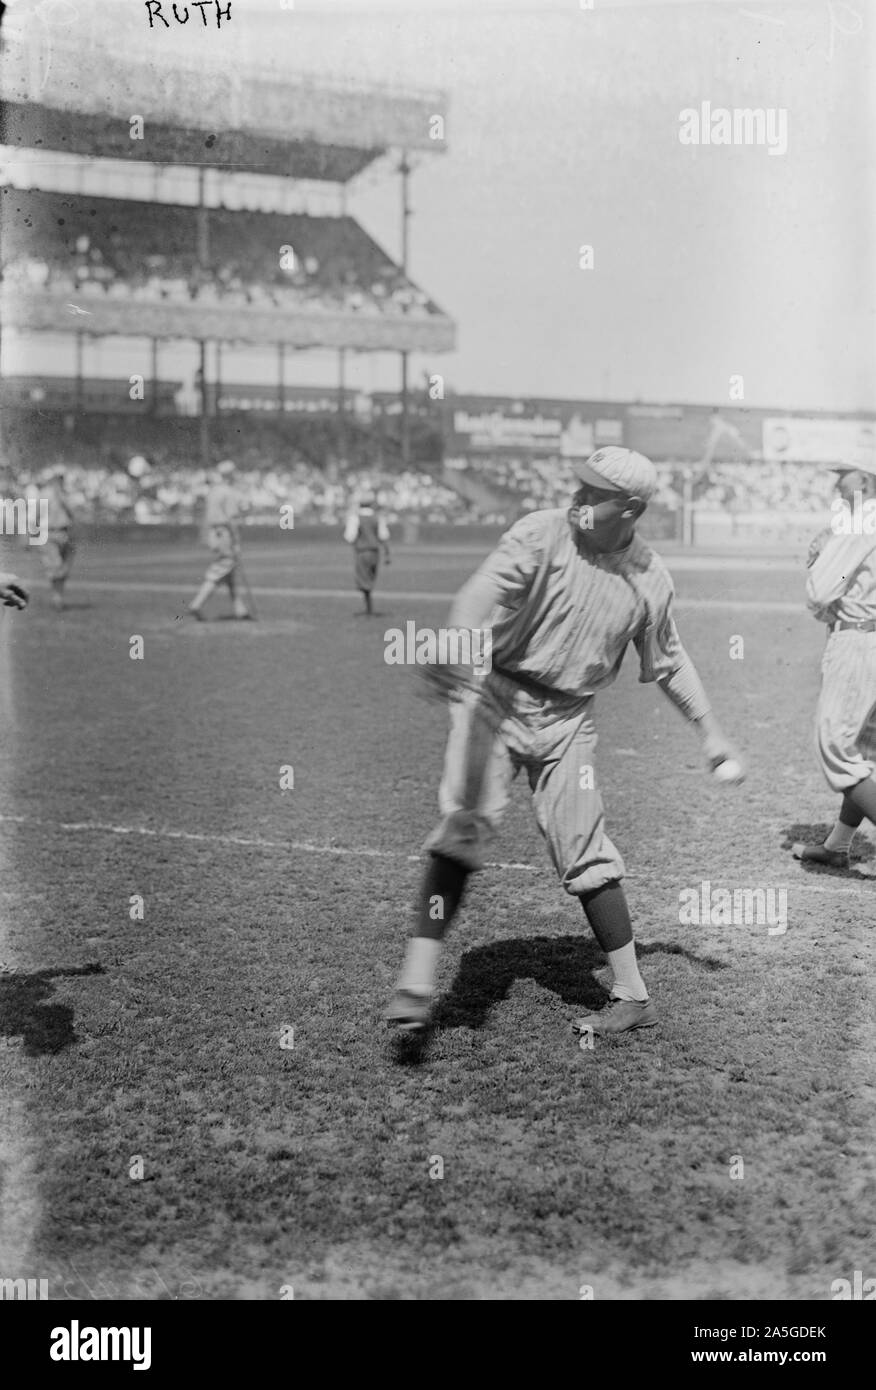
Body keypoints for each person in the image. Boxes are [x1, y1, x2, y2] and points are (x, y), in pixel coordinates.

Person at [384, 447, 745, 1039]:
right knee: (464, 822)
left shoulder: (650, 579)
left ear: (628, 508)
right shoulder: (541, 532)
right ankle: (417, 984)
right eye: (578, 485)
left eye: (591, 492)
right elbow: (481, 590)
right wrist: (455, 640)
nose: (577, 498)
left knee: (585, 847)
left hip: (569, 718)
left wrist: (711, 735)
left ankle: (632, 996)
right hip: (495, 695)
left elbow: (671, 664)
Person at [793, 457, 876, 870]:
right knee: (862, 747)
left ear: (865, 477)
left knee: (837, 749)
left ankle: (839, 845)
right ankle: (838, 845)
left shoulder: (861, 521)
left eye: (841, 476)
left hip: (859, 643)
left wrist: (820, 556)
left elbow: (822, 591)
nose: (836, 486)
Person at [188, 459, 251, 621]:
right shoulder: (228, 492)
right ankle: (196, 604)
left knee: (228, 573)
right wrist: (236, 541)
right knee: (223, 567)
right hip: (225, 533)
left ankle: (240, 609)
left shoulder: (214, 491)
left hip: (213, 533)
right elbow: (232, 519)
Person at [344, 491, 390, 615]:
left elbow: (350, 537)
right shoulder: (377, 518)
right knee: (369, 578)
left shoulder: (355, 518)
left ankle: (368, 609)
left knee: (364, 580)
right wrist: (387, 554)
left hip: (362, 552)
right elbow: (383, 536)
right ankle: (369, 608)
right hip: (375, 553)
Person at [41, 466, 76, 611]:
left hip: (64, 533)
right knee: (55, 567)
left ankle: (59, 595)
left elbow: (72, 514)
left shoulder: (66, 494)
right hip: (49, 534)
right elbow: (34, 517)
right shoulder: (44, 494)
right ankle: (57, 596)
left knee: (64, 568)